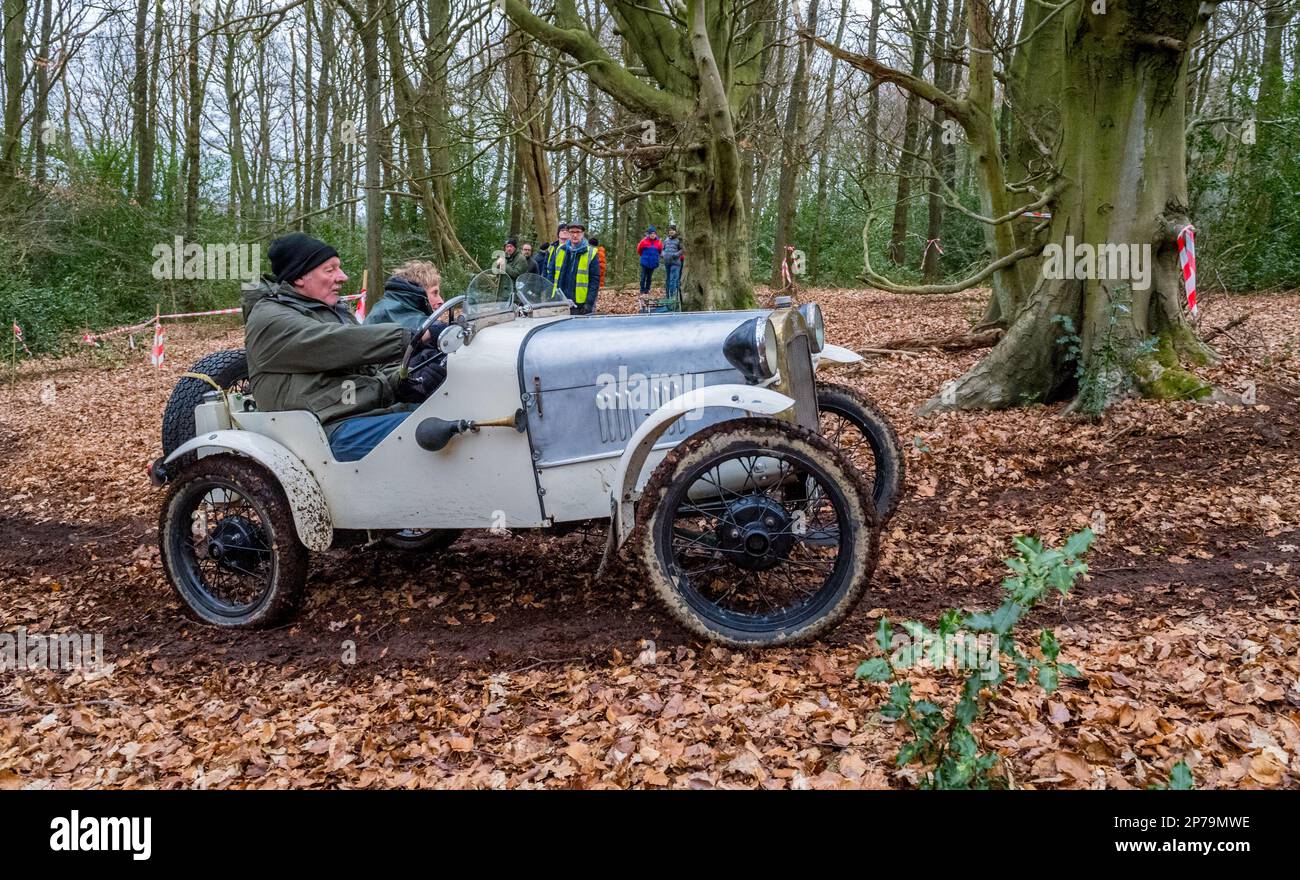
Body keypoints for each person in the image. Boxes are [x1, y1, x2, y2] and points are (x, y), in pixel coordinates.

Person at [243, 234, 446, 463]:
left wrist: (405, 380)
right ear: (299, 276)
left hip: (359, 416)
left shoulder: (329, 310)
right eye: (330, 270)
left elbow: (367, 370)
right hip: (322, 433)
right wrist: (417, 336)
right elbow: (337, 343)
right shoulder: (270, 319)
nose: (343, 277)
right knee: (451, 436)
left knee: (453, 412)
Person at [364, 260, 443, 334]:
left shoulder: (387, 305)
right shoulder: (391, 311)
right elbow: (417, 330)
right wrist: (440, 328)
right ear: (420, 291)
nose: (441, 301)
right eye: (435, 293)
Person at [551, 221, 599, 314]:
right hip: (560, 300)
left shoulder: (591, 252)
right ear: (568, 233)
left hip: (580, 303)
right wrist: (551, 296)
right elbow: (552, 274)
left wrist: (589, 303)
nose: (575, 235)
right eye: (572, 232)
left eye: (578, 232)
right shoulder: (560, 250)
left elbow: (594, 281)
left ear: (583, 234)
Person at [637, 225, 663, 296]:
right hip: (645, 262)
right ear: (649, 234)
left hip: (653, 263)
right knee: (643, 277)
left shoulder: (658, 242)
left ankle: (647, 290)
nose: (653, 235)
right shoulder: (643, 241)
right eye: (651, 233)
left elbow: (660, 251)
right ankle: (642, 290)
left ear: (656, 234)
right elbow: (639, 250)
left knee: (649, 277)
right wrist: (643, 256)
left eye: (654, 234)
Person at [662, 224, 684, 300]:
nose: (671, 231)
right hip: (667, 262)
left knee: (674, 279)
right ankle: (668, 296)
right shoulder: (666, 240)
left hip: (676, 263)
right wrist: (663, 254)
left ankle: (674, 297)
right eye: (670, 230)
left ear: (675, 231)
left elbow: (682, 250)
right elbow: (663, 249)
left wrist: (675, 255)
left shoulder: (679, 240)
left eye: (672, 230)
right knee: (668, 279)